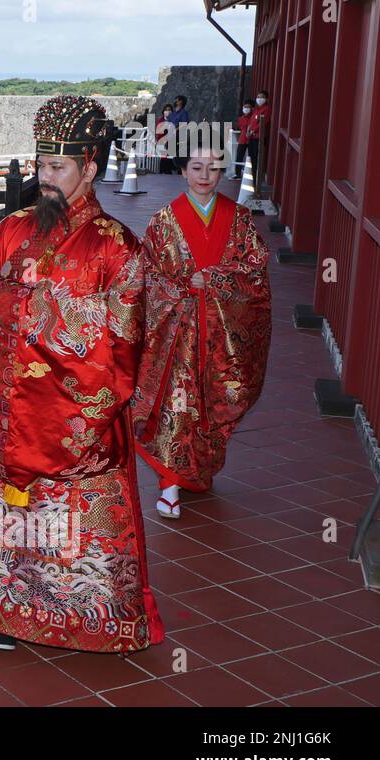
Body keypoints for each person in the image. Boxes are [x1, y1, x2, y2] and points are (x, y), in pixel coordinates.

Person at [0, 94, 162, 654]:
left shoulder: (117, 248)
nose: (46, 179)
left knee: (70, 533)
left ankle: (88, 624)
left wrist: (26, 310)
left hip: (72, 423)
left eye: (58, 167)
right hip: (4, 416)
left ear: (91, 167)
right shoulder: (10, 229)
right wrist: (18, 304)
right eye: (40, 165)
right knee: (0, 527)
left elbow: (122, 339)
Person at [134, 150, 272, 519]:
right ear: (182, 170)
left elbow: (255, 271)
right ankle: (169, 485)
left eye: (213, 169)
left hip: (222, 331)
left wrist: (215, 280)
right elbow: (149, 275)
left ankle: (197, 469)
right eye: (196, 167)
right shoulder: (163, 222)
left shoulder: (239, 218)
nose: (205, 176)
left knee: (212, 403)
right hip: (178, 332)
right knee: (177, 402)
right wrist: (181, 285)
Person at [235, 98, 261, 179]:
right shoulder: (241, 118)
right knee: (239, 156)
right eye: (244, 107)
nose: (246, 109)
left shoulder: (253, 117)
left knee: (252, 157)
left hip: (251, 139)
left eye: (248, 107)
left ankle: (251, 174)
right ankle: (238, 173)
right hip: (242, 139)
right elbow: (239, 128)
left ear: (252, 108)